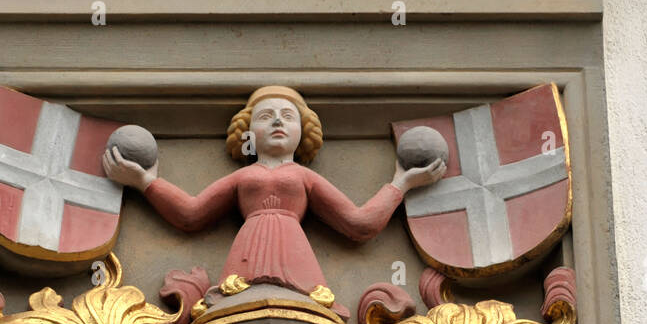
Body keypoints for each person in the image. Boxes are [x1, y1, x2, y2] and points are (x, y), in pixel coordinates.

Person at [102, 85, 446, 306]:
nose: (277, 123)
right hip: (247, 254)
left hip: (294, 253)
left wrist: (401, 183)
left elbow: (359, 224)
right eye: (266, 117)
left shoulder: (303, 176)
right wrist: (145, 181)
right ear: (247, 131)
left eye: (287, 117)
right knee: (241, 306)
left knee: (298, 308)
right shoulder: (244, 176)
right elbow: (191, 213)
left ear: (303, 131)